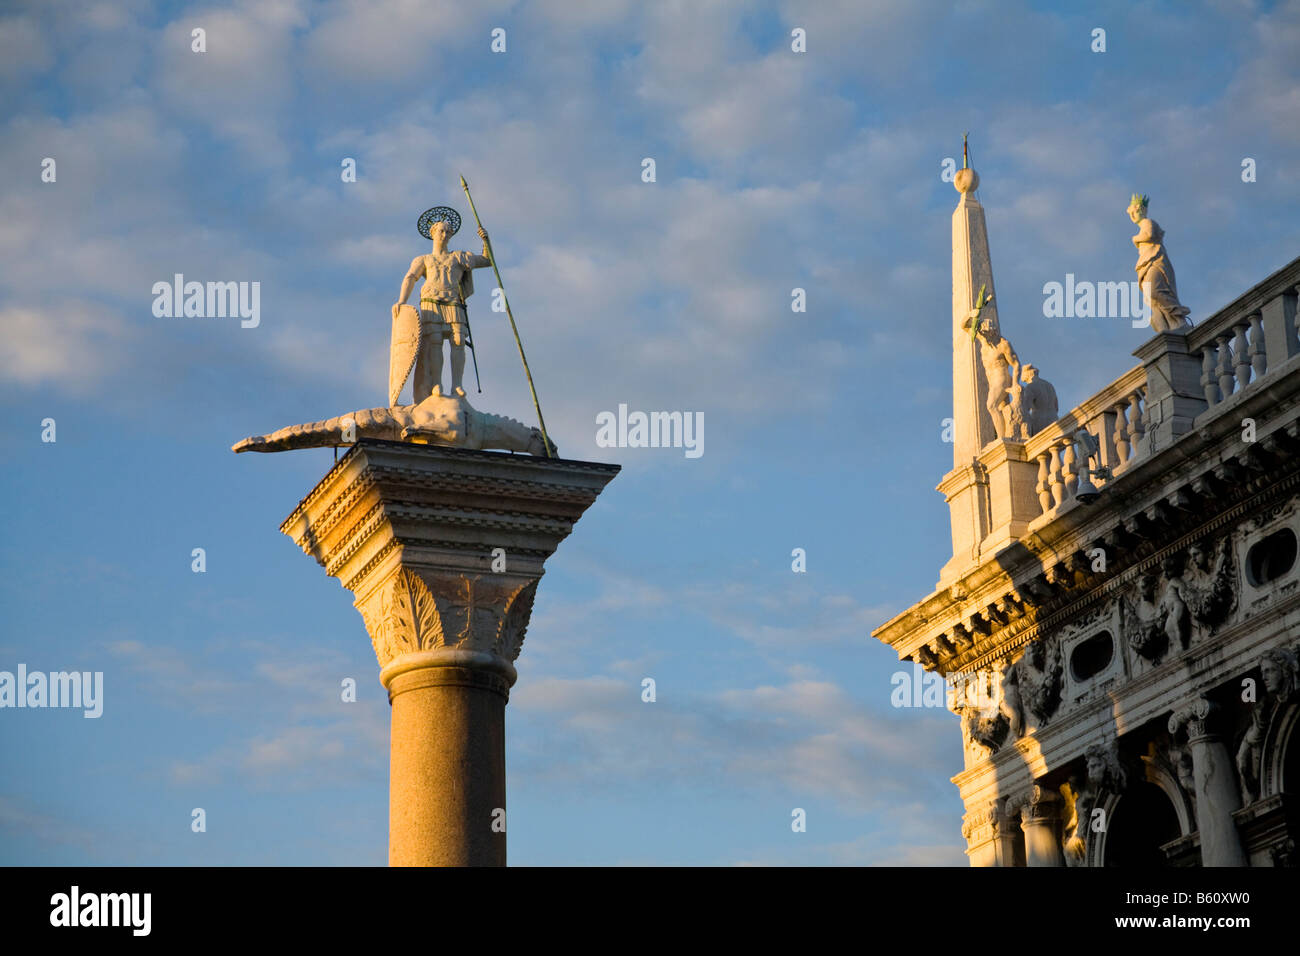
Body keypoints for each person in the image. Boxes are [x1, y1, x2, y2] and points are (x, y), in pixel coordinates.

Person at [395, 210, 493, 399]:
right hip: (431, 301)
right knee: (435, 342)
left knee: (458, 341)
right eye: (441, 230)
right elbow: (410, 277)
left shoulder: (458, 257)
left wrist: (485, 242)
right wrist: (402, 300)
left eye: (448, 232)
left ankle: (456, 386)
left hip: (454, 300)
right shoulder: (423, 259)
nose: (445, 234)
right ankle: (437, 384)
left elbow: (487, 261)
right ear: (433, 233)